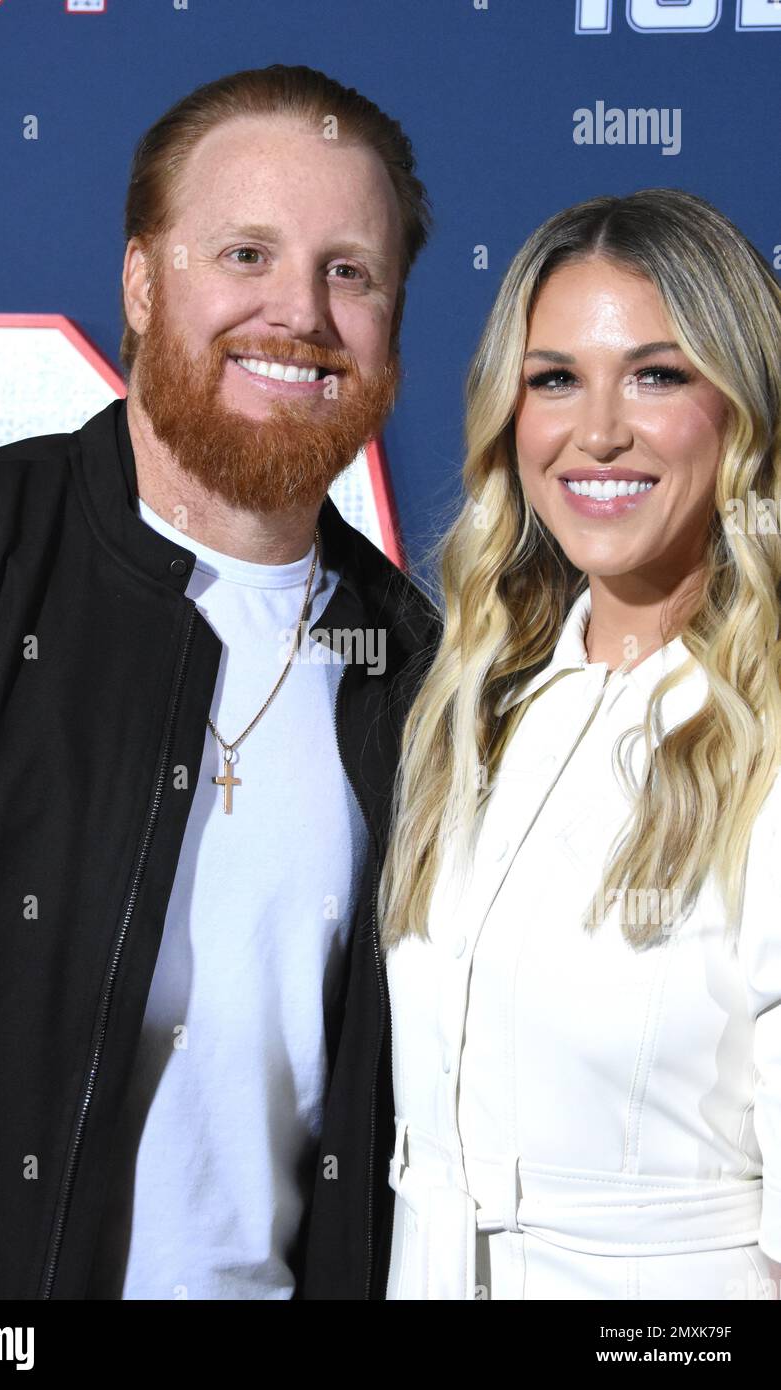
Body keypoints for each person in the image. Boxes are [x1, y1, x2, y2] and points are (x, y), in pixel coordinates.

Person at [0, 64, 440, 1300]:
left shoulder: (420, 676)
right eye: (245, 253)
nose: (297, 312)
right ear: (141, 282)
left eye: (348, 270)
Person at [379, 188, 781, 1300]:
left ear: (742, 407)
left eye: (657, 373)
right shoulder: (479, 711)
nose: (596, 430)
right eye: (554, 378)